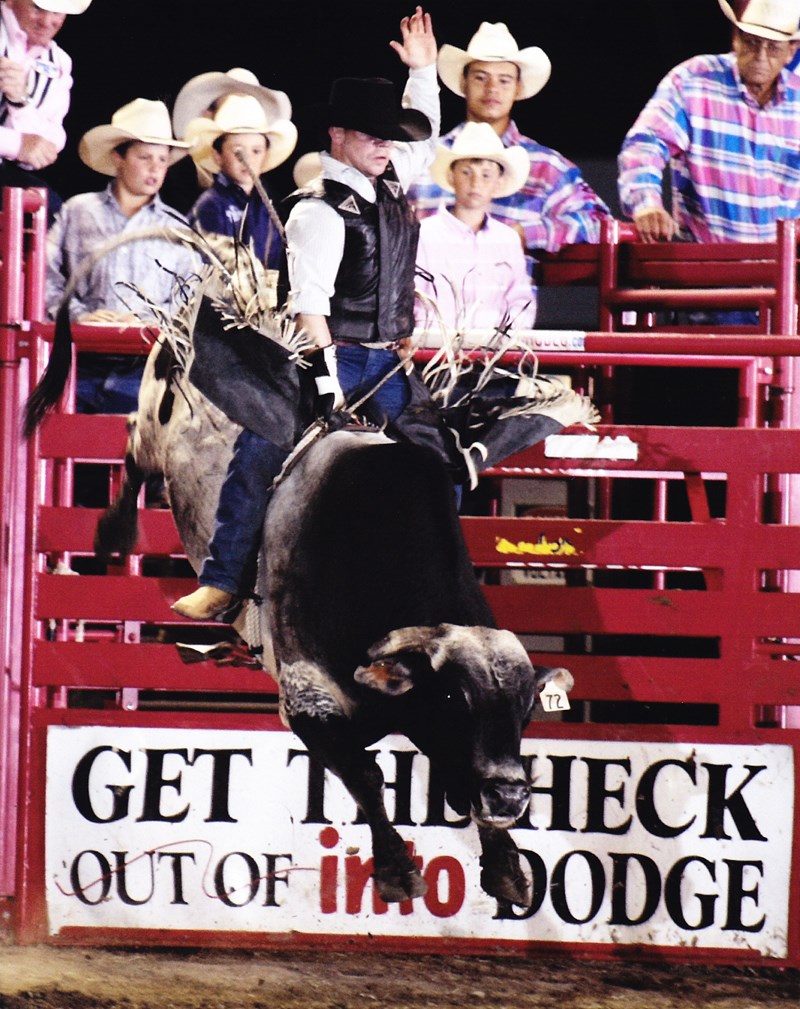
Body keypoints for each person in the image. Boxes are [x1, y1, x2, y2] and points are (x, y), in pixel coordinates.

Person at [172, 5, 441, 621]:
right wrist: (325, 385)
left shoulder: (389, 179)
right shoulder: (318, 211)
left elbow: (420, 143)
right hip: (335, 355)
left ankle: (427, 585)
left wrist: (423, 72)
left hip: (387, 361)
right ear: (338, 137)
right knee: (262, 449)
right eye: (374, 135)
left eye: (389, 136)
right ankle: (225, 578)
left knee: (438, 461)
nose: (386, 145)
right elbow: (310, 311)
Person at [406, 21, 609, 259]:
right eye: (481, 78)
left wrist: (526, 234)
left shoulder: (545, 166)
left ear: (518, 88)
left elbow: (598, 222)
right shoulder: (427, 159)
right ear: (464, 83)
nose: (492, 89)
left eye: (504, 80)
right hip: (429, 293)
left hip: (507, 292)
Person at [45, 97, 198, 413]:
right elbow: (46, 278)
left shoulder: (177, 231)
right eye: (144, 157)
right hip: (78, 360)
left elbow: (191, 301)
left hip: (144, 369)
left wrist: (148, 319)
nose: (155, 168)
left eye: (162, 159)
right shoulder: (78, 212)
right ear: (118, 157)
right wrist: (79, 315)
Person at [619, 0, 800, 244]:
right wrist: (646, 204)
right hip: (705, 266)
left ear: (791, 51)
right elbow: (647, 142)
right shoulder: (695, 79)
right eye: (752, 42)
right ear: (736, 37)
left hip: (782, 270)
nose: (760, 56)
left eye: (773, 48)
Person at [413, 120, 535, 335]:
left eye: (486, 175)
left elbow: (520, 300)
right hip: (434, 352)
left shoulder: (507, 239)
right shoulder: (425, 233)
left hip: (495, 355)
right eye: (466, 173)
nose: (476, 183)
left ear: (498, 182)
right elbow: (415, 296)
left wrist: (504, 340)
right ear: (452, 177)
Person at [183, 92, 297, 273]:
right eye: (238, 152)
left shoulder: (269, 204)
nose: (247, 160)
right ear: (217, 155)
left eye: (256, 151)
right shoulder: (210, 206)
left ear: (266, 154)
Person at [0, 0, 92, 215]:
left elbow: (50, 143)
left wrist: (21, 102)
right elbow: (29, 146)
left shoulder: (58, 62)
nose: (47, 21)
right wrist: (17, 144)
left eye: (58, 12)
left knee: (49, 208)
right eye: (38, 8)